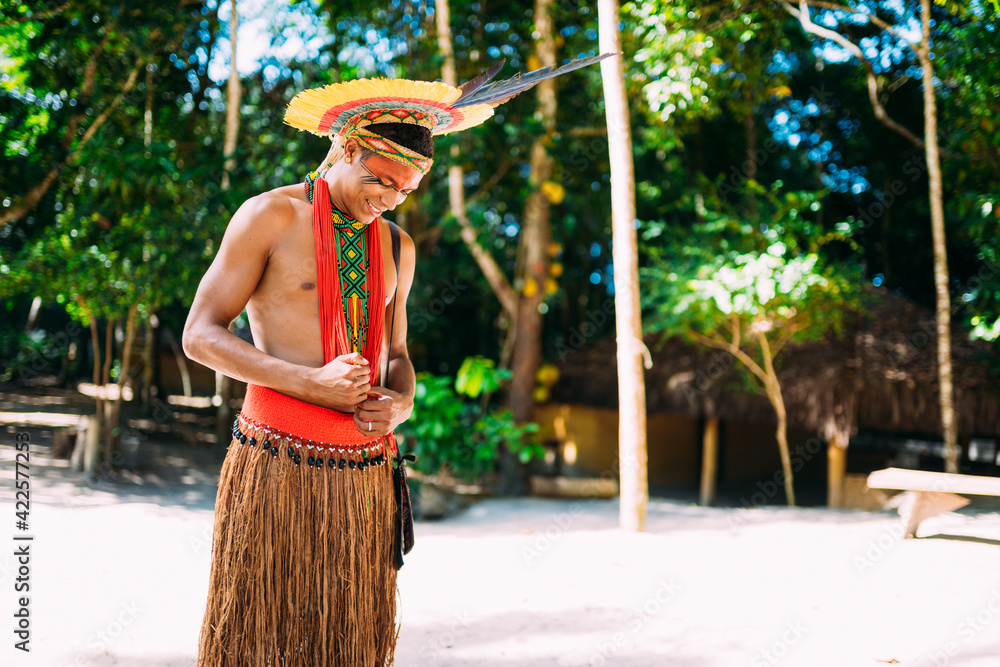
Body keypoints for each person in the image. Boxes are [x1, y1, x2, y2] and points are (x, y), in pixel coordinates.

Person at [184, 55, 613, 667]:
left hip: (365, 474)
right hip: (277, 459)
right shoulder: (270, 216)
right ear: (344, 148)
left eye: (404, 191)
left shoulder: (397, 245)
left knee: (347, 642)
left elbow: (398, 354)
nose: (387, 201)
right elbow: (199, 336)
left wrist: (402, 401)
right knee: (261, 639)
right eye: (379, 182)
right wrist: (310, 383)